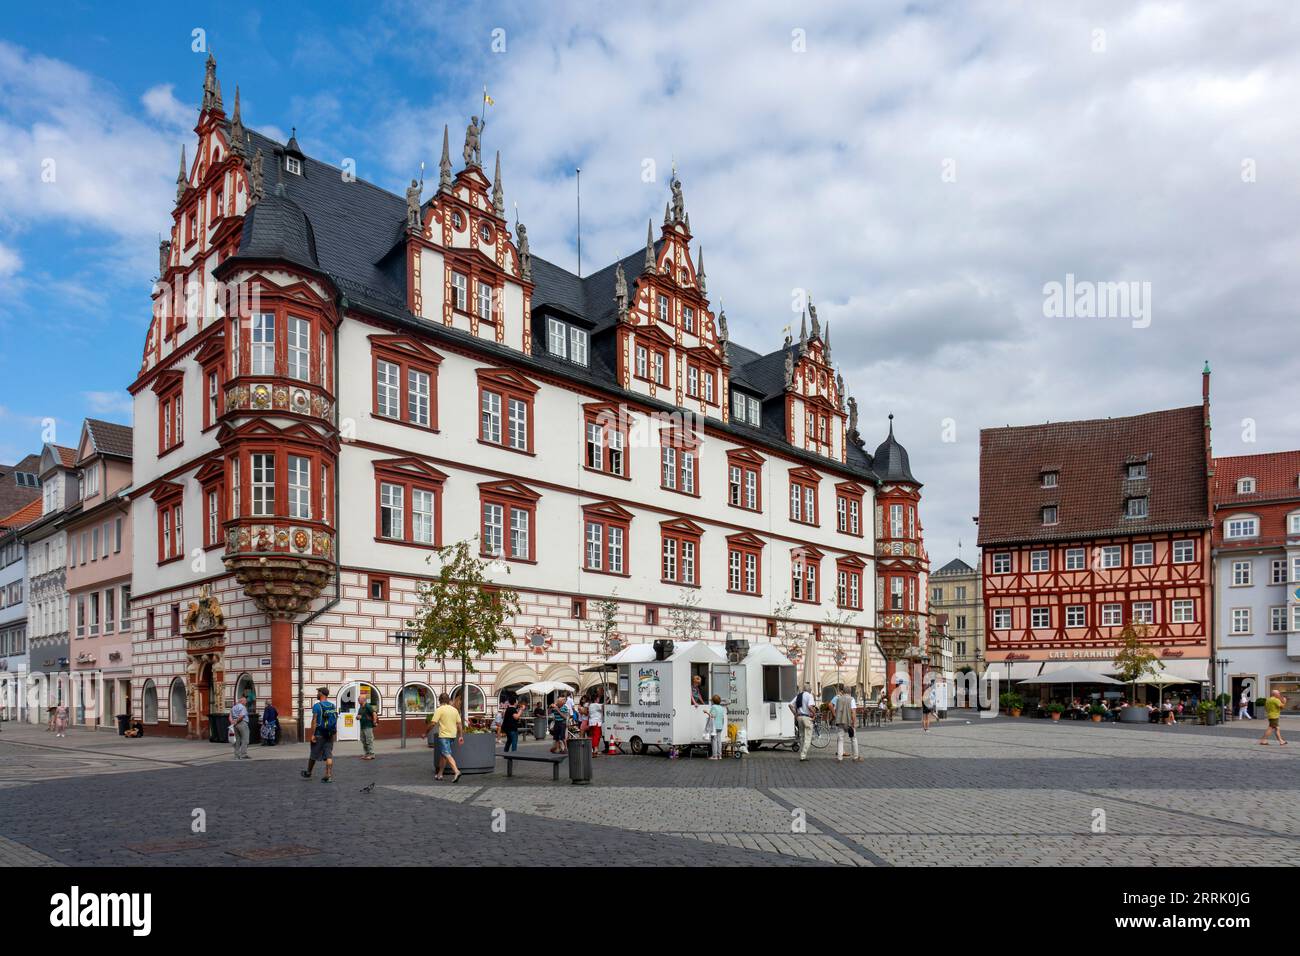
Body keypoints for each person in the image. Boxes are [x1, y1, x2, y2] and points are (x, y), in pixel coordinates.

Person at [301, 687, 338, 783]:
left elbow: (314, 720)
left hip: (319, 734)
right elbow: (334, 720)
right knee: (329, 755)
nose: (317, 694)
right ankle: (328, 775)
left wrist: (312, 734)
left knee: (313, 754)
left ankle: (308, 772)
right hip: (329, 734)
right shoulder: (332, 706)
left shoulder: (317, 706)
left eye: (318, 692)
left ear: (321, 693)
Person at [431, 692, 464, 781]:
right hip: (453, 735)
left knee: (446, 754)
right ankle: (440, 774)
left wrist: (425, 732)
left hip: (444, 736)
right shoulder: (454, 710)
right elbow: (459, 724)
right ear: (449, 700)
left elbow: (433, 723)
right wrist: (460, 736)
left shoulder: (440, 709)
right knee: (443, 755)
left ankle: (456, 771)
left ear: (440, 701)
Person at [832, 685, 862, 762]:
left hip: (840, 721)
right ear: (850, 691)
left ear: (843, 691)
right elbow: (853, 711)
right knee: (853, 738)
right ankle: (855, 757)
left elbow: (835, 709)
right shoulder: (851, 699)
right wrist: (854, 722)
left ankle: (839, 757)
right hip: (849, 722)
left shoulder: (838, 699)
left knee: (840, 739)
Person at [790, 684, 815, 761]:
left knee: (802, 736)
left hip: (799, 717)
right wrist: (814, 714)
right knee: (808, 737)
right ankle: (803, 755)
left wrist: (795, 714)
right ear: (809, 690)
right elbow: (810, 706)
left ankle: (802, 753)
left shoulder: (799, 695)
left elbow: (790, 705)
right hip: (806, 717)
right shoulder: (809, 696)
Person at [706, 694, 728, 759]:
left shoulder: (713, 707)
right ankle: (720, 755)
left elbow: (712, 716)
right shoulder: (721, 708)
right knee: (719, 740)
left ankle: (714, 756)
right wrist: (722, 725)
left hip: (714, 726)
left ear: (713, 701)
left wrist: (706, 712)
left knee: (714, 741)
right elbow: (722, 718)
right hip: (720, 726)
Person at [359, 692, 377, 760]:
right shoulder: (361, 707)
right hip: (362, 726)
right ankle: (366, 753)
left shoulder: (367, 706)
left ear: (363, 699)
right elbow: (359, 715)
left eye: (359, 699)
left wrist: (374, 721)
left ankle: (371, 754)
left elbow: (374, 713)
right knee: (363, 740)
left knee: (369, 740)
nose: (358, 700)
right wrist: (358, 717)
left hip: (368, 726)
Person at [587, 691, 604, 757]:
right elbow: (603, 706)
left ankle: (592, 749)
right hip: (596, 722)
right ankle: (595, 749)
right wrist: (608, 699)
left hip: (591, 722)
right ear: (596, 699)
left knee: (592, 736)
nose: (599, 699)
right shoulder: (596, 705)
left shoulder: (590, 705)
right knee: (596, 736)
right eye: (598, 698)